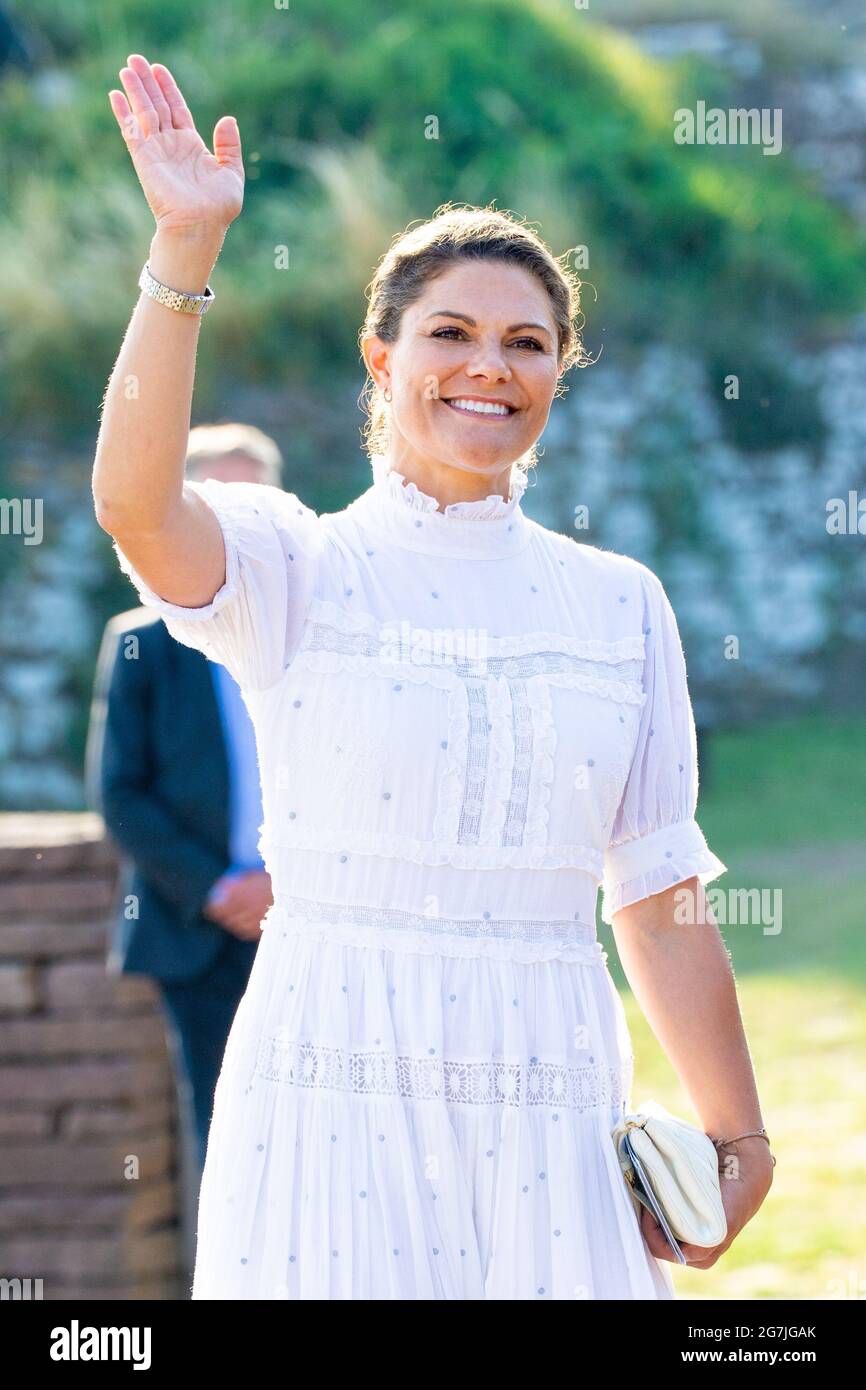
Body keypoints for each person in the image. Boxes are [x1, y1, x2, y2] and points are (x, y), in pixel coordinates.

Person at [92, 53, 774, 1300]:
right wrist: (186, 245)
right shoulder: (294, 562)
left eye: (526, 342)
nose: (487, 366)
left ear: (557, 373)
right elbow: (134, 502)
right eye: (448, 333)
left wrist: (739, 1136)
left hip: (552, 1093)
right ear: (380, 355)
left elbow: (659, 891)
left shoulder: (620, 604)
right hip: (322, 1076)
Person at [87, 426, 280, 1184]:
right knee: (221, 1135)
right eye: (221, 500)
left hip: (314, 920)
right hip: (194, 930)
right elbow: (120, 792)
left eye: (255, 501)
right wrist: (221, 887)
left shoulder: (314, 631)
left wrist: (286, 886)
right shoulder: (141, 643)